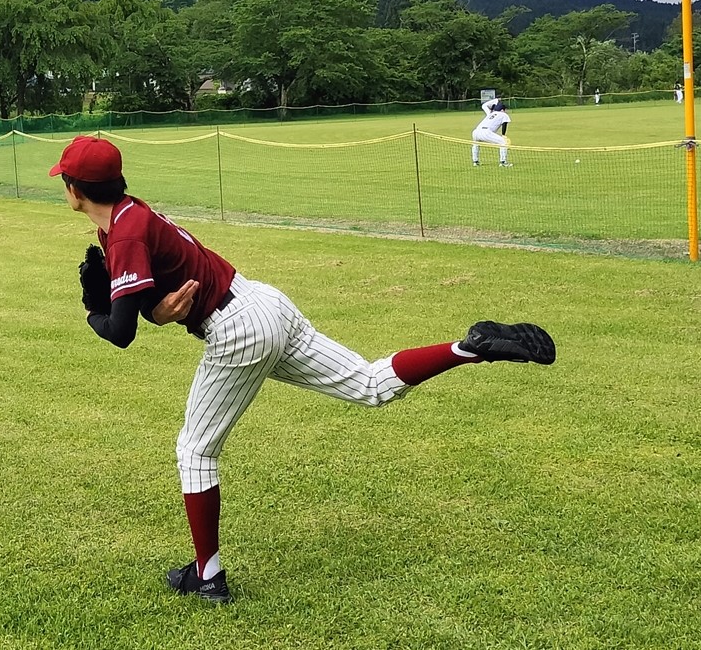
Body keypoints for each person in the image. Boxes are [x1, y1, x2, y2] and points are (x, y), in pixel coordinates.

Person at [49, 135, 555, 605]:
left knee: (195, 450)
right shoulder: (129, 217)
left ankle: (207, 576)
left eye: (64, 181)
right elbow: (161, 304)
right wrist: (143, 308)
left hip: (238, 329)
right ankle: (470, 348)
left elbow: (121, 333)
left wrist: (92, 308)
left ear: (76, 188)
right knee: (369, 383)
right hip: (263, 302)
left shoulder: (123, 236)